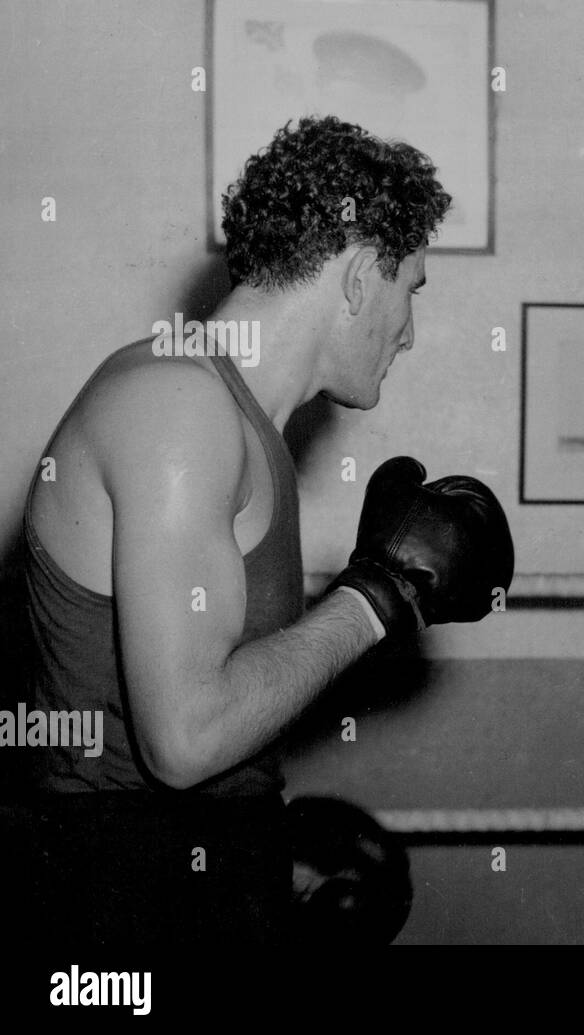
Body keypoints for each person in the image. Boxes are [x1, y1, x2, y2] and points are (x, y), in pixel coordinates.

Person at [5, 115, 513, 946]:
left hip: (191, 875)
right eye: (410, 289)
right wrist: (373, 601)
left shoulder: (243, 429)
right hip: (123, 895)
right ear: (357, 275)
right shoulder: (177, 404)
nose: (409, 332)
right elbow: (186, 736)